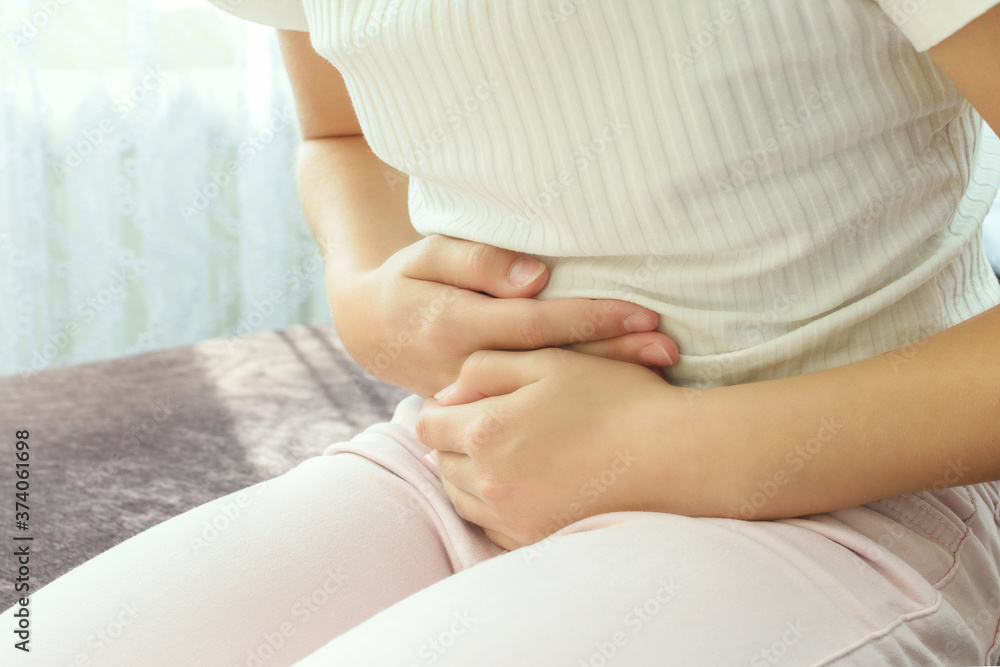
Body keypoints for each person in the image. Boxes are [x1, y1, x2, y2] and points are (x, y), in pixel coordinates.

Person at [5, 1, 1000, 664]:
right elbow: (338, 137)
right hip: (460, 462)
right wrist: (369, 294)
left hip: (849, 513)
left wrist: (666, 452)